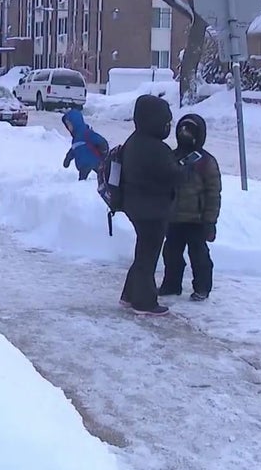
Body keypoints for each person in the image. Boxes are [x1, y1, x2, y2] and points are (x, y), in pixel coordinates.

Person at [119, 95, 183, 316]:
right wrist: (185, 167)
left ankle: (129, 295)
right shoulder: (156, 148)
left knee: (142, 252)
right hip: (152, 210)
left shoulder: (134, 141)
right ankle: (144, 302)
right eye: (166, 123)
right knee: (148, 256)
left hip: (136, 206)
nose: (168, 127)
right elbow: (173, 176)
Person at [160, 114, 222, 302]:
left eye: (189, 131)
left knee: (199, 256)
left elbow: (213, 193)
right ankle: (171, 285)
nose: (184, 135)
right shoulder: (172, 157)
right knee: (171, 254)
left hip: (197, 220)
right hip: (174, 218)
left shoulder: (205, 162)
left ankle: (202, 287)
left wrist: (210, 221)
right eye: (182, 131)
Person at [61, 108, 108, 180]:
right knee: (101, 174)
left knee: (84, 178)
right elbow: (73, 150)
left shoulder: (87, 133)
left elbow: (100, 141)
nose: (69, 127)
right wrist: (68, 159)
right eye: (67, 125)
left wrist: (104, 150)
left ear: (76, 123)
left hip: (89, 162)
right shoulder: (76, 139)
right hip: (92, 162)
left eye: (70, 124)